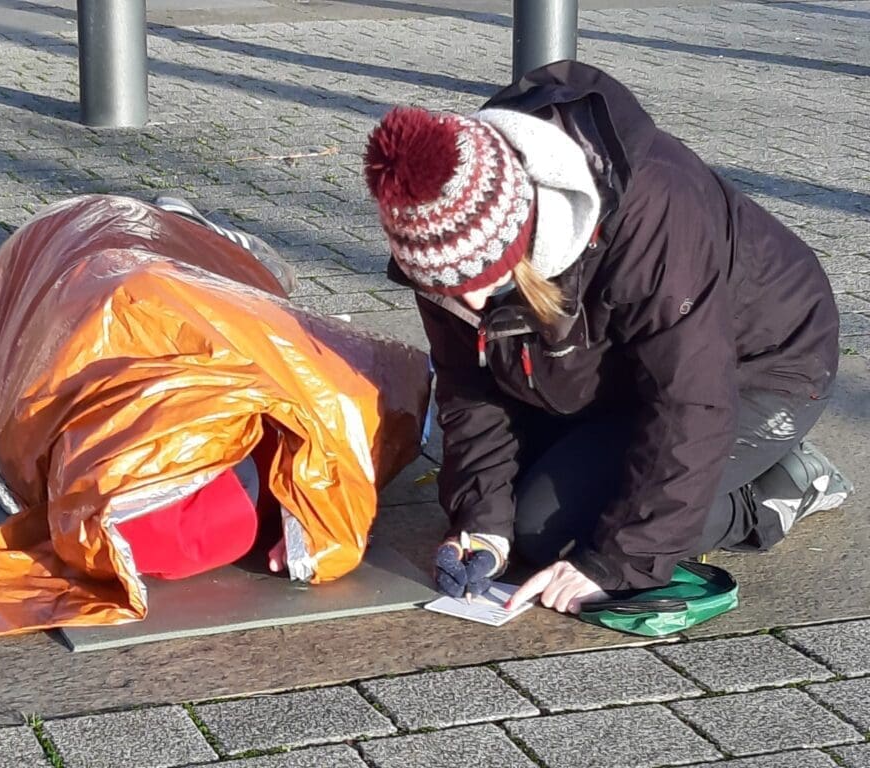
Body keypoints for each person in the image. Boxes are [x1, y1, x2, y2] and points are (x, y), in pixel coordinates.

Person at [362, 61, 853, 616]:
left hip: (761, 365)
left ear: (526, 232)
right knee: (518, 523)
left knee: (559, 536)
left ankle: (777, 487)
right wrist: (481, 525)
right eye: (450, 291)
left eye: (486, 282)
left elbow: (690, 403)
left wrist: (616, 564)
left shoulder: (657, 217)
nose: (470, 305)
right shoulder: (443, 237)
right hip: (613, 370)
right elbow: (469, 384)